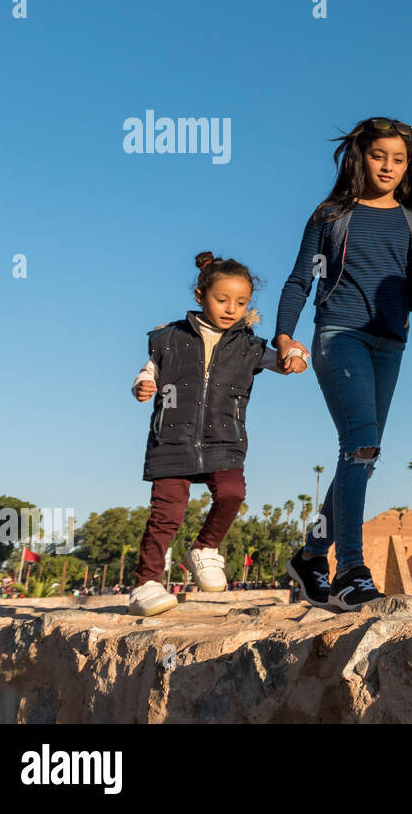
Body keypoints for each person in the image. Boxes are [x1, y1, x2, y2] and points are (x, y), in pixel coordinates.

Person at [275, 117, 412, 612]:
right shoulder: (332, 216)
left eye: (399, 159)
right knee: (359, 445)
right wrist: (286, 336)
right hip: (339, 337)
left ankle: (312, 555)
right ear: (361, 156)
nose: (389, 167)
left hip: (390, 346)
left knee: (365, 454)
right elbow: (299, 281)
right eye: (380, 156)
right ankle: (350, 570)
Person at [127, 252, 307, 617]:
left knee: (232, 492)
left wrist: (296, 357)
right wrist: (144, 384)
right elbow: (150, 371)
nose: (231, 309)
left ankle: (205, 549)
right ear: (200, 296)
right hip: (173, 441)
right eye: (222, 300)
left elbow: (283, 362)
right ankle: (146, 584)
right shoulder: (169, 339)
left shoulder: (249, 346)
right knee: (166, 514)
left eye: (241, 303)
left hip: (224, 439)